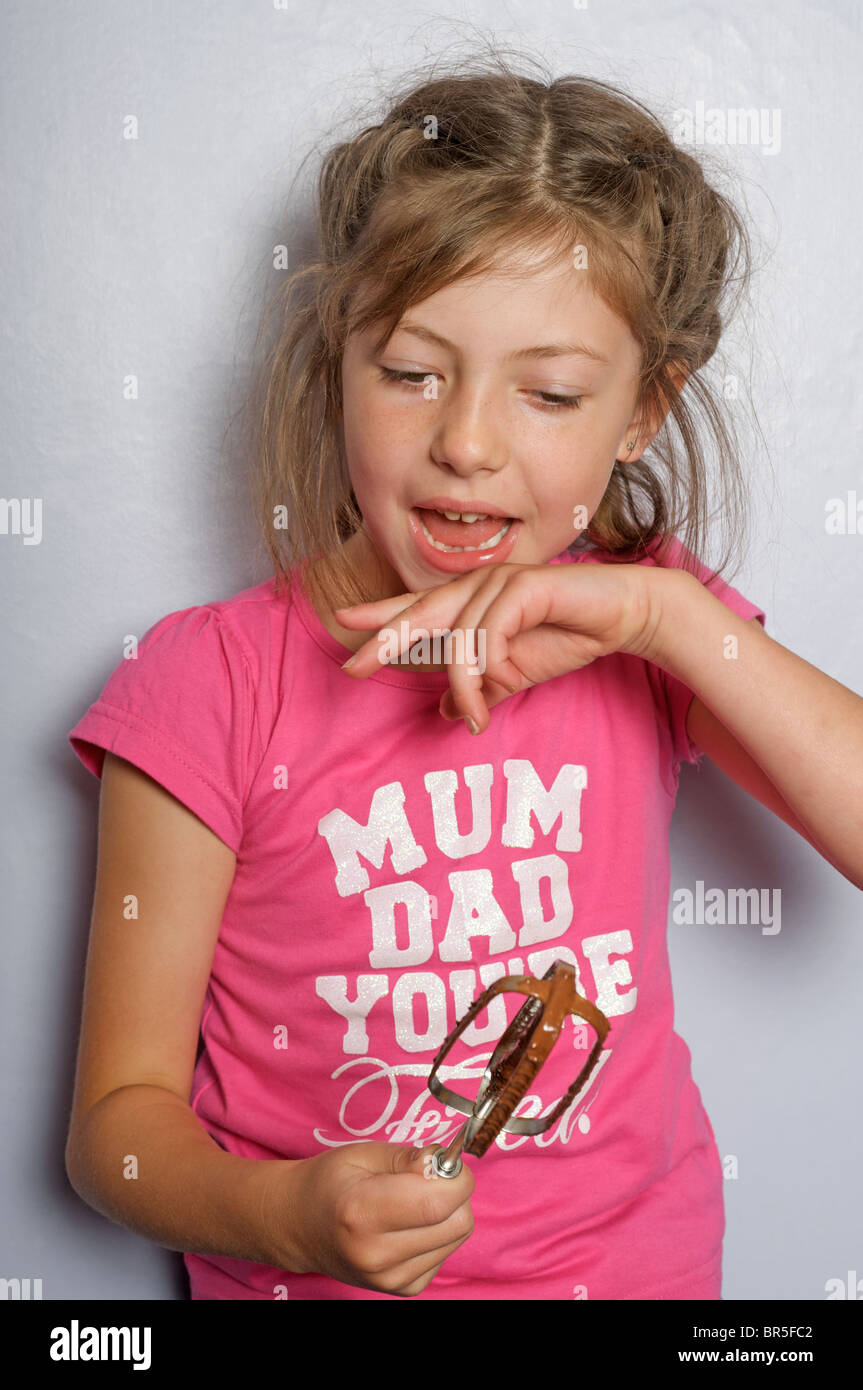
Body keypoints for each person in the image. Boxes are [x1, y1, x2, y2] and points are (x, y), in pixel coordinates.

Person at [63, 54, 863, 1301]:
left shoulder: (653, 632)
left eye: (547, 392)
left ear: (641, 413)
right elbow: (114, 1129)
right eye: (409, 371)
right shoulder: (206, 684)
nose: (468, 441)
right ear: (339, 360)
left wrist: (655, 613)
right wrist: (280, 1211)